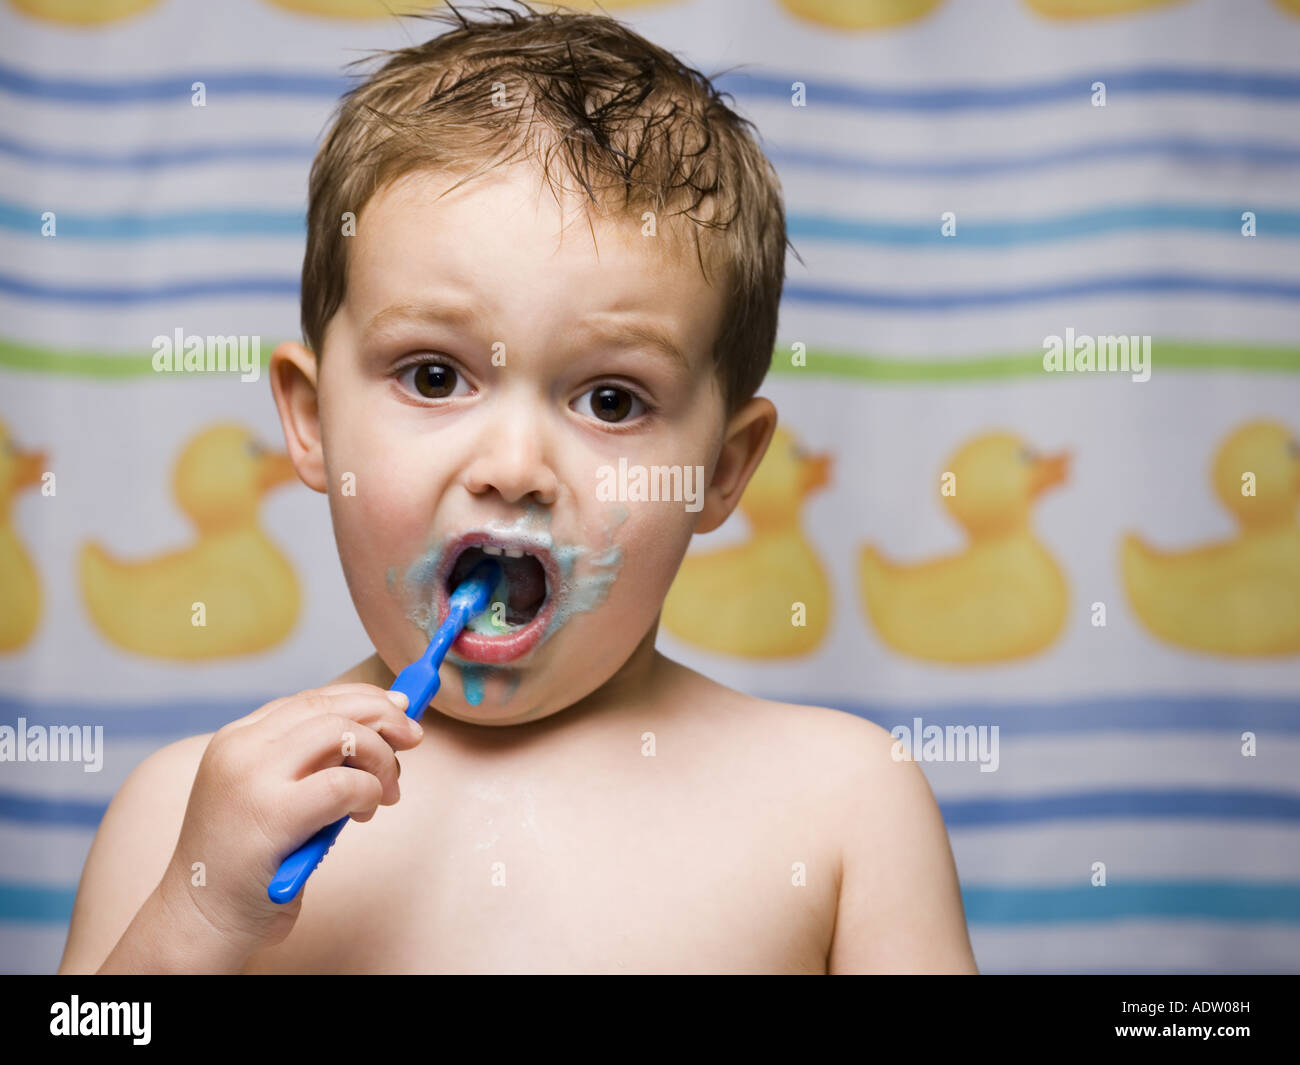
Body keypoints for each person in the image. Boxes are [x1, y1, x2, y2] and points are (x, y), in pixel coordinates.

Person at [58, 1, 977, 974]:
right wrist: (196, 923)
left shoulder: (840, 805)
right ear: (313, 419)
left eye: (612, 398)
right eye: (434, 377)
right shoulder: (182, 819)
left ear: (719, 470)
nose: (513, 466)